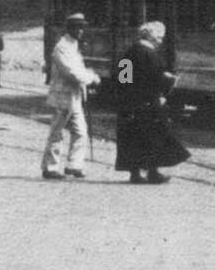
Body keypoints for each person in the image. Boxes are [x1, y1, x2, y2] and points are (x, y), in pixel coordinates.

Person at [114, 21, 190, 184]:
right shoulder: (150, 54)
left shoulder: (128, 52)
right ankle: (153, 173)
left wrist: (127, 97)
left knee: (132, 138)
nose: (161, 41)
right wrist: (168, 82)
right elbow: (155, 78)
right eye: (159, 37)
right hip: (149, 103)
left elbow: (122, 78)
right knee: (154, 137)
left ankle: (135, 174)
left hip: (130, 103)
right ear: (149, 35)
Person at [41, 13, 100, 180]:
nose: (81, 31)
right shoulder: (62, 47)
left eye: (82, 27)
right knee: (57, 133)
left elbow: (79, 69)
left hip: (74, 96)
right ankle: (50, 168)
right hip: (62, 96)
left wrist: (91, 75)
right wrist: (91, 79)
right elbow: (71, 73)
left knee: (81, 132)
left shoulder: (73, 46)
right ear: (69, 28)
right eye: (77, 27)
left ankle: (74, 165)